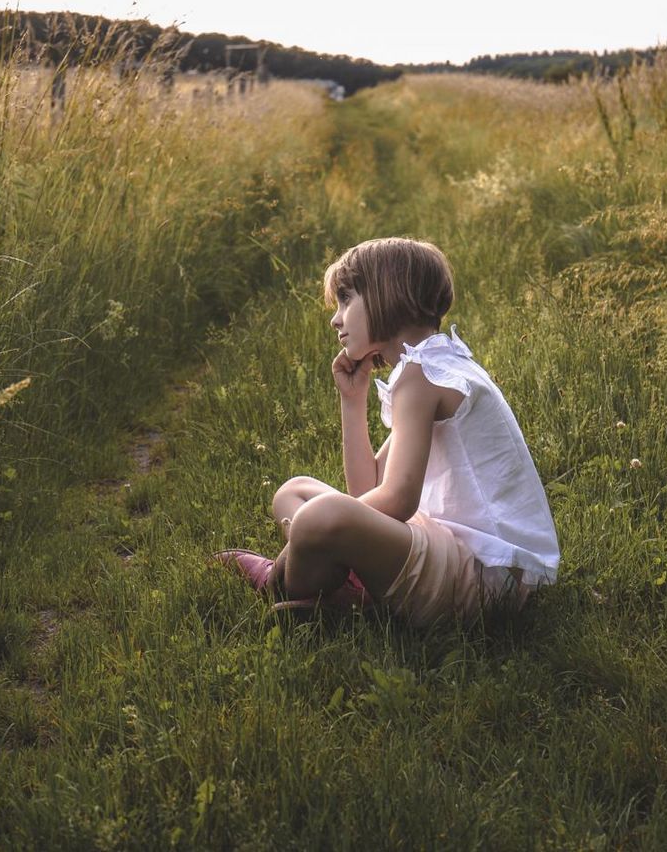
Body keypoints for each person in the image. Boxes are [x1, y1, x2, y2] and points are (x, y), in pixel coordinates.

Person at [212, 237, 560, 626]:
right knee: (294, 492)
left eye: (346, 300)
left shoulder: (423, 376)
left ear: (387, 295)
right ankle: (342, 582)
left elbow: (397, 500)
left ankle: (280, 580)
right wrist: (352, 400)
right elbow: (368, 488)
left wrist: (317, 528)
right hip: (481, 566)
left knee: (316, 515)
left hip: (481, 581)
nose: (336, 319)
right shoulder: (436, 364)